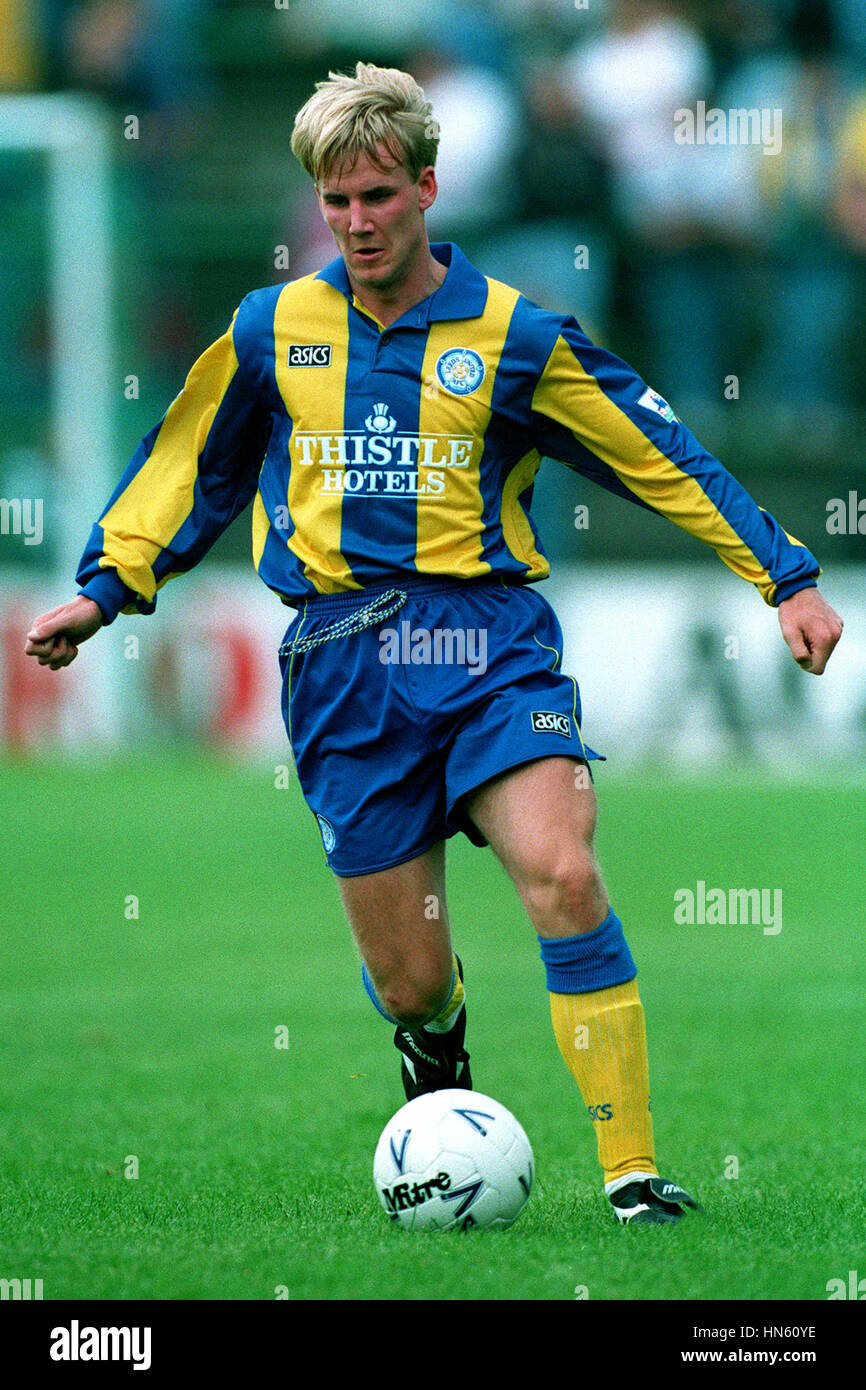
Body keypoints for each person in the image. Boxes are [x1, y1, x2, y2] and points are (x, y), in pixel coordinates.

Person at [25, 62, 843, 1226]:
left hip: (488, 645)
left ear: (426, 189)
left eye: (377, 196)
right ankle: (438, 1066)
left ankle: (631, 1176)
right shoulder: (270, 329)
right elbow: (185, 467)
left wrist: (785, 577)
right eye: (335, 202)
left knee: (562, 874)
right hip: (339, 666)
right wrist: (105, 589)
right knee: (412, 983)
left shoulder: (514, 336)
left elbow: (658, 452)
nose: (355, 222)